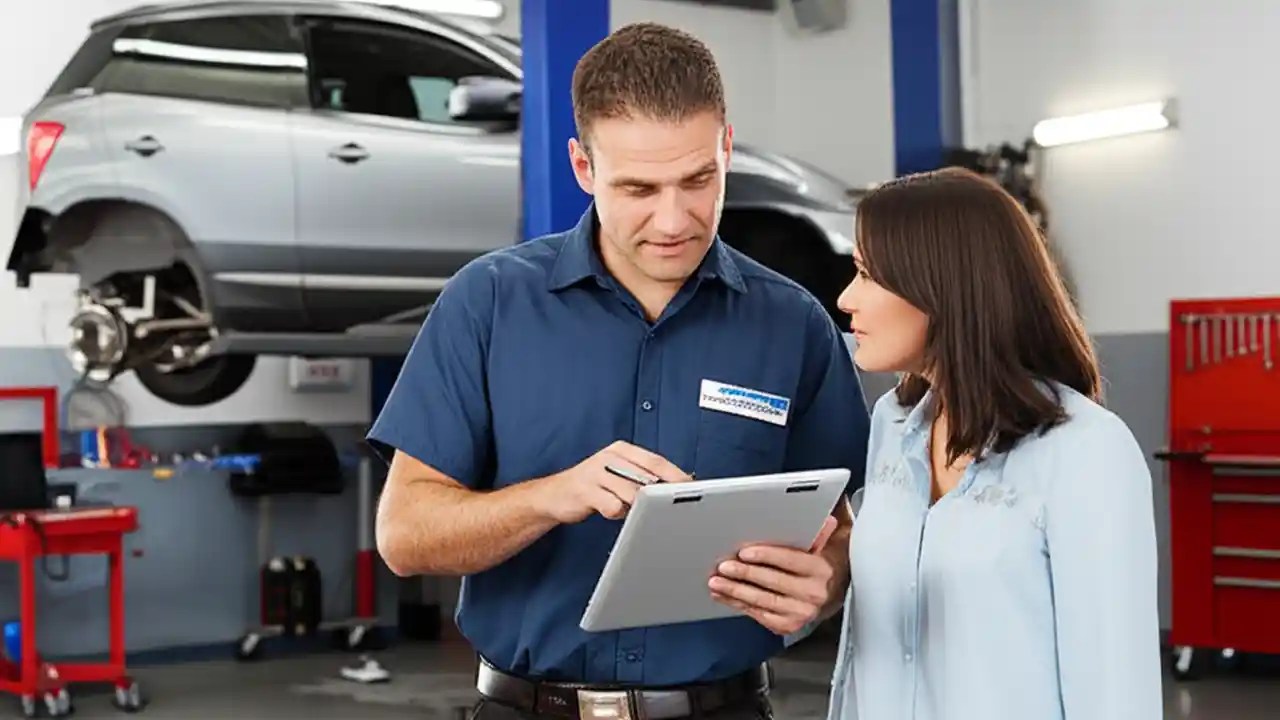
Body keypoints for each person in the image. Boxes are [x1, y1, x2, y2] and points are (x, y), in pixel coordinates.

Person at [367, 22, 870, 720]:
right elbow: (404, 536)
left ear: (726, 147)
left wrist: (831, 577)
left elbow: (837, 525)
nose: (673, 219)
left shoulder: (793, 325)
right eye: (639, 188)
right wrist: (553, 496)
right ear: (583, 168)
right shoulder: (487, 304)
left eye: (698, 180)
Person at [825, 166, 1163, 720]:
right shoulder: (893, 425)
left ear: (942, 287)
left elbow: (1115, 696)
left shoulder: (1085, 453)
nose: (845, 298)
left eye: (867, 274)